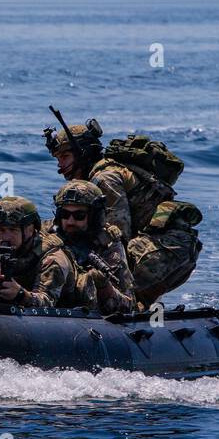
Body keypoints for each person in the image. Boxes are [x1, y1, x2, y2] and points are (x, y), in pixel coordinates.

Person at [44, 117, 201, 306]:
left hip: (168, 249)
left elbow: (117, 235)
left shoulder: (104, 178)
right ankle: (141, 308)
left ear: (82, 153)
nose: (60, 166)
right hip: (172, 248)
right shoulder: (104, 171)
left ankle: (129, 308)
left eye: (64, 157)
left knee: (111, 260)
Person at [0, 196, 73, 308]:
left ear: (30, 229)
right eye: (1, 230)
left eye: (13, 230)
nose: (6, 237)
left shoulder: (52, 258)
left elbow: (47, 301)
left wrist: (20, 294)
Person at [46, 180, 135, 315]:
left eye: (79, 216)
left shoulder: (108, 244)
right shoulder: (46, 232)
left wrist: (104, 286)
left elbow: (127, 307)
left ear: (94, 217)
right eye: (65, 214)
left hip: (83, 311)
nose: (70, 221)